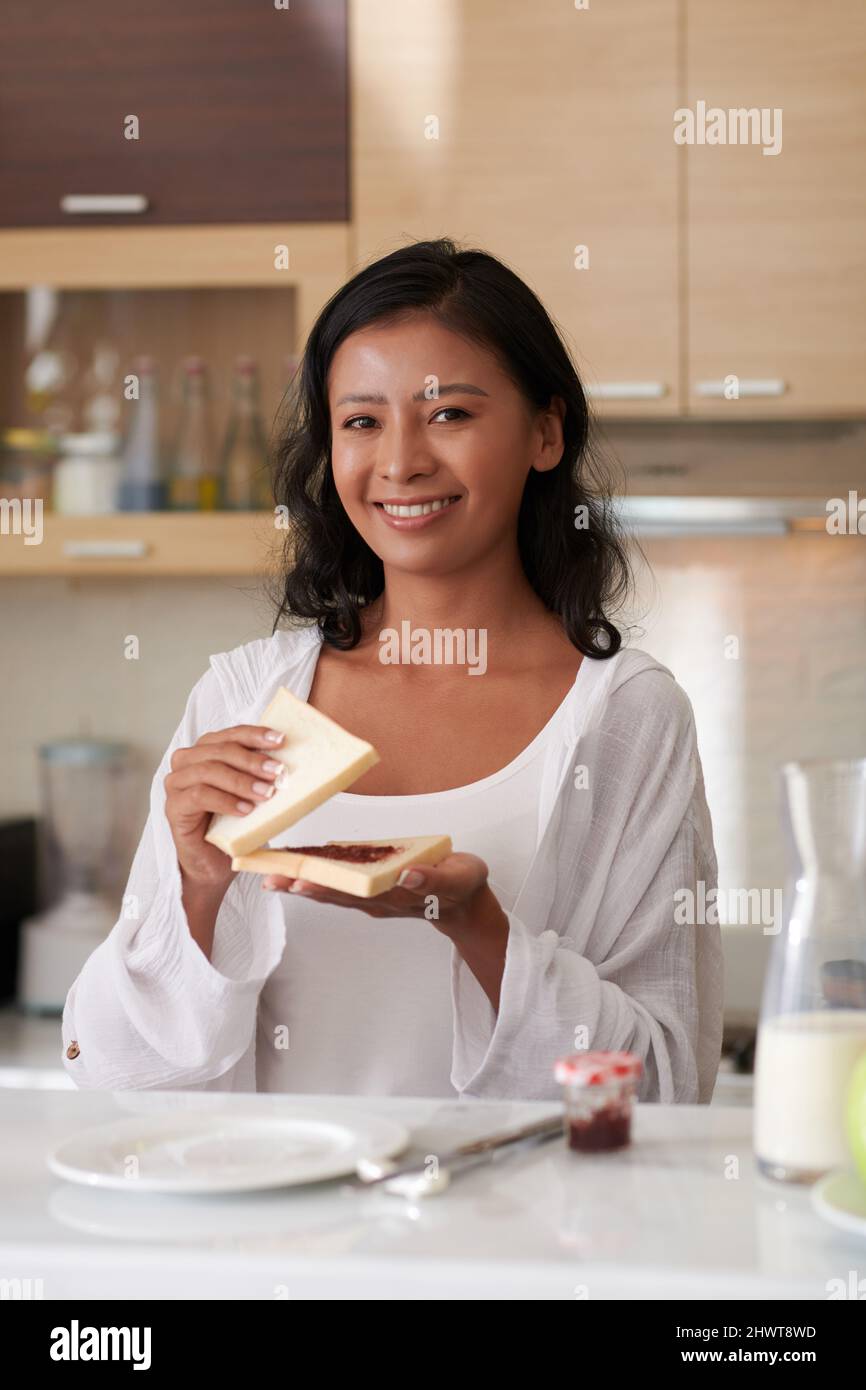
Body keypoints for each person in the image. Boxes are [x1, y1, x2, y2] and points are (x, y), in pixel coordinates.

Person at [62, 238, 723, 1102]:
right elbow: (107, 1074)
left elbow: (666, 1087)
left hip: (510, 1234)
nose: (401, 462)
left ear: (546, 432)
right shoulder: (245, 696)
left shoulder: (627, 718)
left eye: (449, 413)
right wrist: (195, 884)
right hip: (274, 1235)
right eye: (362, 421)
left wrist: (478, 925)